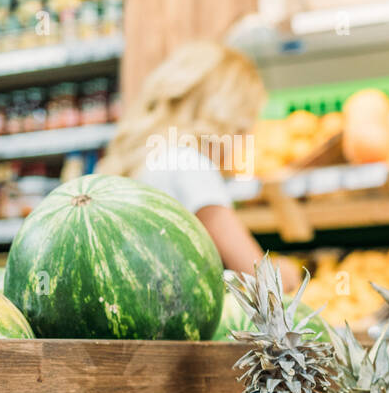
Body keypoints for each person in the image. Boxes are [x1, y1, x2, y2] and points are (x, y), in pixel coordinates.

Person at [96, 40, 300, 291]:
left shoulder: (148, 159)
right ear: (228, 116)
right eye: (245, 127)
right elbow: (261, 280)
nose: (245, 138)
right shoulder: (189, 164)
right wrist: (291, 273)